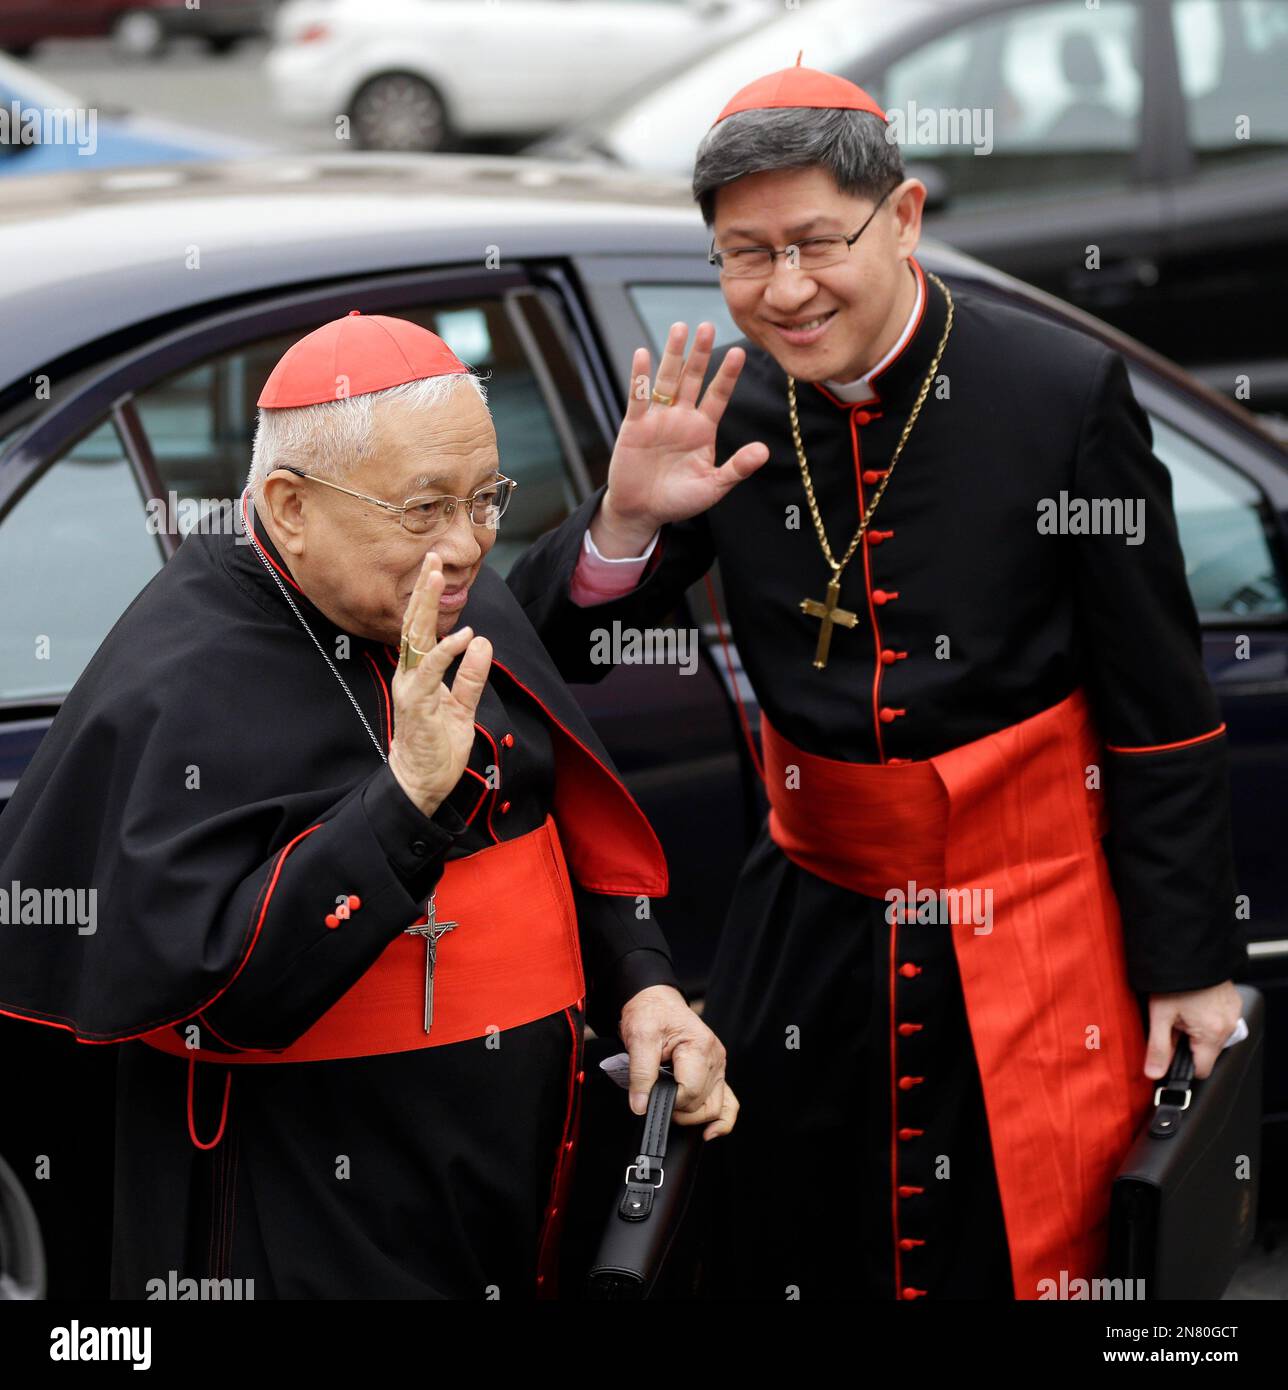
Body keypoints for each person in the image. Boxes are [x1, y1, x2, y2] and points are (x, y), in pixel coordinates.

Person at [506, 63, 1247, 1300]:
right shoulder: (729, 413)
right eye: (744, 256)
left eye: (814, 242)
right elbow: (548, 652)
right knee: (796, 1236)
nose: (783, 291)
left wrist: (1190, 960)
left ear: (901, 217)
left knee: (1017, 1250)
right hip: (807, 927)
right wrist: (622, 524)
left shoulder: (1059, 396)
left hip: (1032, 918)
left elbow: (1160, 710)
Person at [0, 311, 735, 1300]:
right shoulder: (182, 677)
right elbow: (221, 992)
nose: (470, 541)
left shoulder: (432, 586)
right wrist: (404, 798)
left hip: (519, 1175)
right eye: (426, 507)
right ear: (291, 506)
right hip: (318, 1207)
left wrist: (642, 986)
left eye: (486, 499)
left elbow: (540, 821)